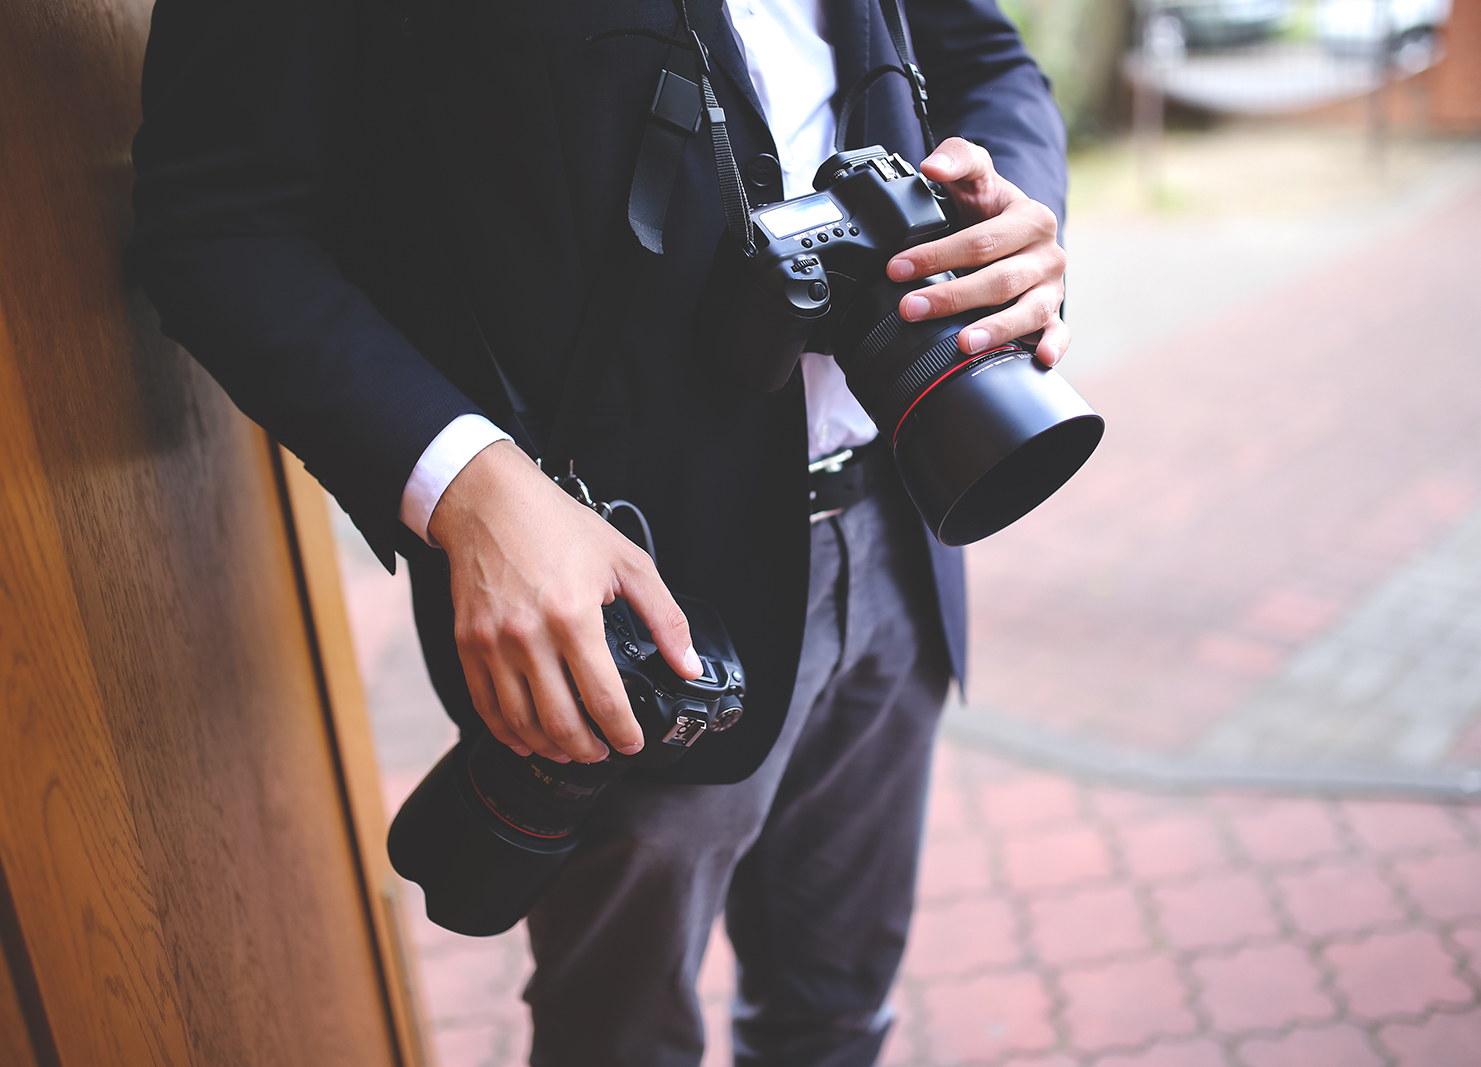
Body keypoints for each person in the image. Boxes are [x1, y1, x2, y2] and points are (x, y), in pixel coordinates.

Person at [130, 0, 1067, 1062]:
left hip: (906, 514)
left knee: (837, 1012)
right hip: (627, 598)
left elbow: (981, 53)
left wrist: (1018, 219)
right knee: (620, 1041)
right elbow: (218, 217)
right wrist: (467, 484)